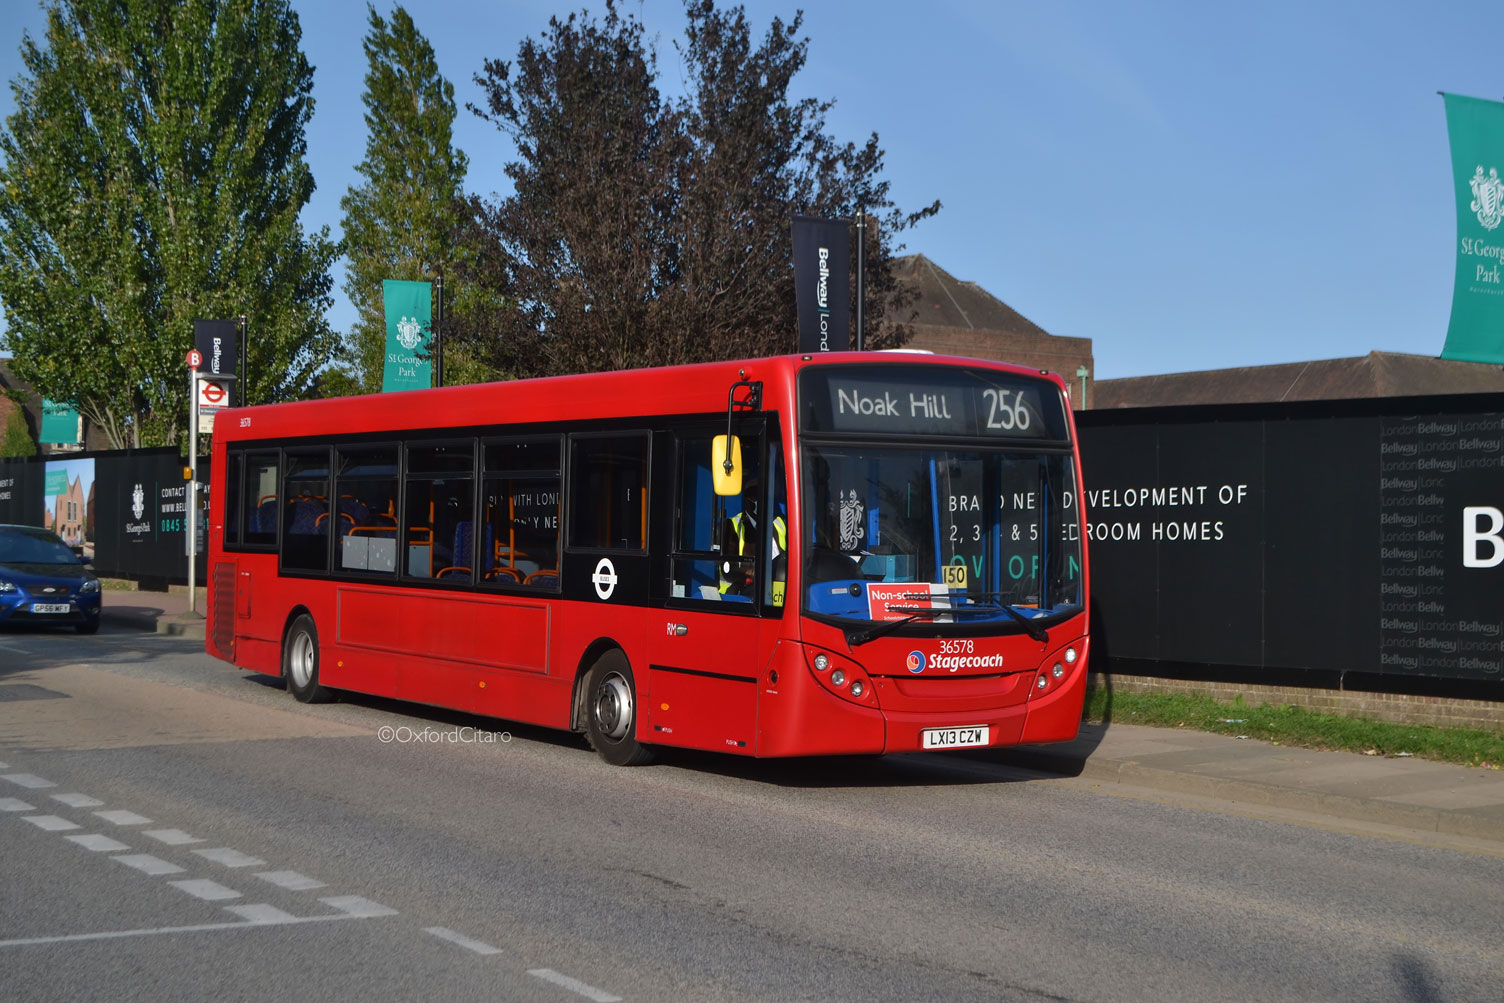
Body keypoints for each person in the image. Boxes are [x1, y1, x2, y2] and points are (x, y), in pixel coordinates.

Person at [719, 473, 786, 596]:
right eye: (754, 496)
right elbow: (727, 568)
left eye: (762, 496)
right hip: (739, 594)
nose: (758, 501)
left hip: (776, 591)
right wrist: (753, 572)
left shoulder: (779, 523)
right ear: (746, 499)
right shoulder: (732, 525)